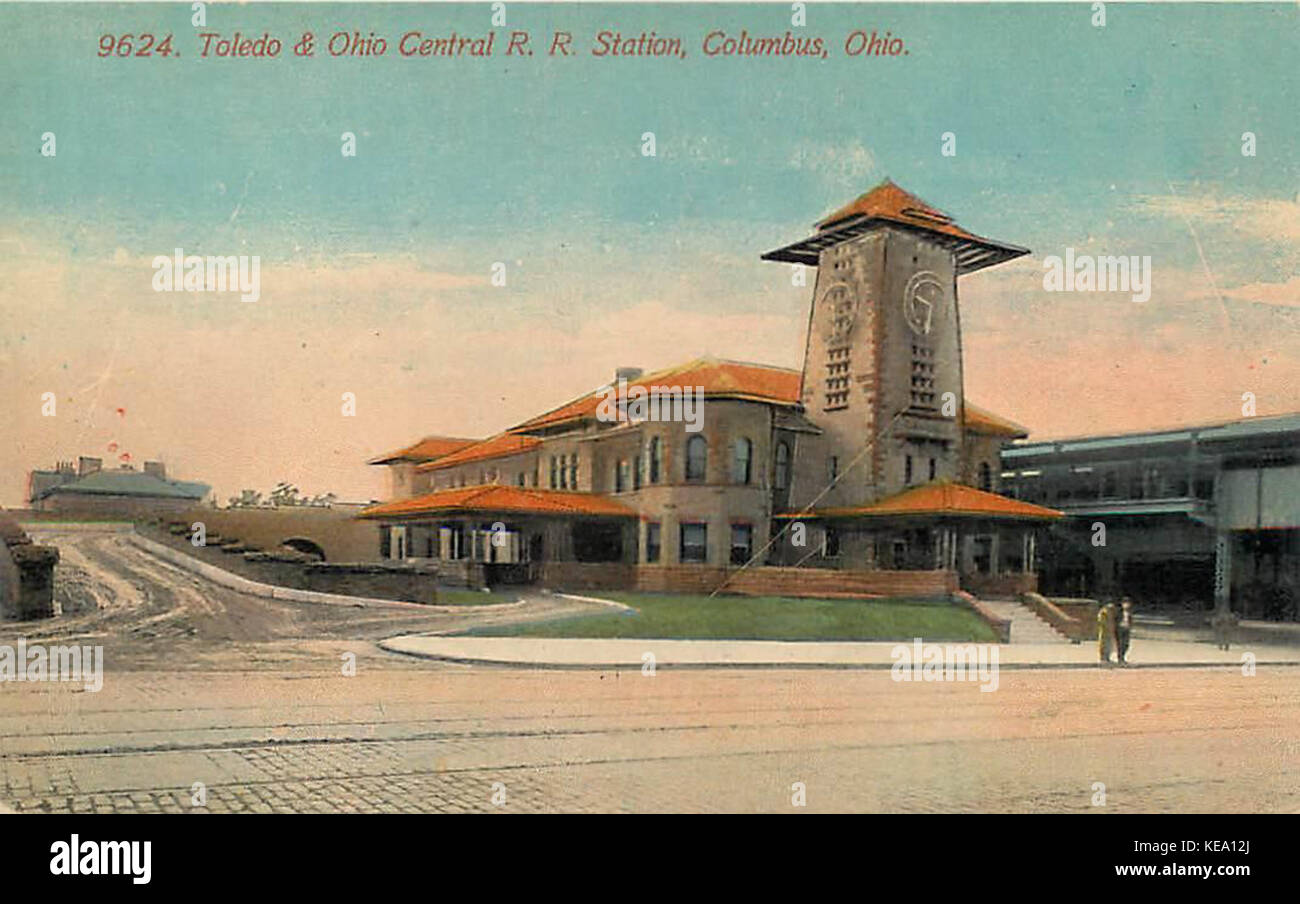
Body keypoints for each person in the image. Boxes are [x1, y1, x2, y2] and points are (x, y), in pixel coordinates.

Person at [1097, 601, 1117, 665]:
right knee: (1103, 644)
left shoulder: (1111, 614)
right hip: (1104, 631)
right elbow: (1101, 621)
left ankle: (1107, 657)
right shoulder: (1103, 613)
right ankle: (1103, 658)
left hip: (1110, 631)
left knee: (1109, 645)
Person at [1116, 598, 1134, 665]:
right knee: (1120, 644)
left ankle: (1123, 657)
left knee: (1126, 644)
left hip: (1126, 628)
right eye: (1125, 603)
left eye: (1128, 603)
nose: (1127, 605)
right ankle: (1120, 658)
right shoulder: (1119, 611)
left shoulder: (1129, 612)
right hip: (1120, 629)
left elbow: (1130, 620)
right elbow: (1115, 620)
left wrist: (1130, 626)